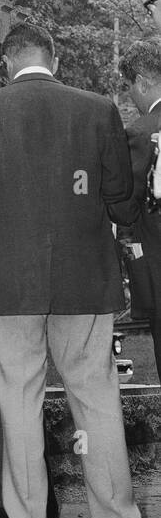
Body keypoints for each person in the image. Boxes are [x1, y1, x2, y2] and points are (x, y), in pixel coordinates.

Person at [0, 22, 144, 518]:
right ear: (53, 58)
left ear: (7, 62)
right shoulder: (98, 109)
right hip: (86, 281)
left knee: (19, 400)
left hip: (10, 286)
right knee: (97, 399)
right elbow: (122, 201)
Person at [118, 37, 161, 381]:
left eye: (130, 86)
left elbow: (124, 204)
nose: (131, 96)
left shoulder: (140, 133)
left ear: (145, 82)